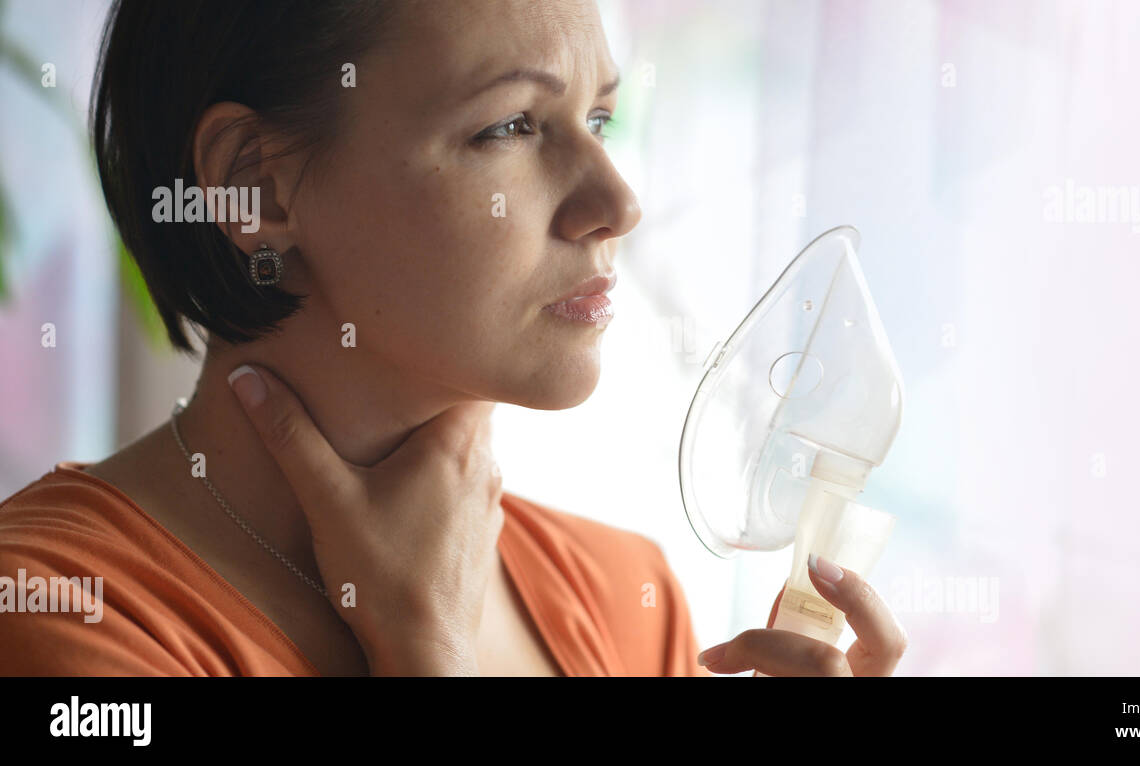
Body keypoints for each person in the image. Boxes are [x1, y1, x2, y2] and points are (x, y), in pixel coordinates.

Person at [0, 0, 906, 677]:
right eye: (509, 126)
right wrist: (426, 653)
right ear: (256, 189)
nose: (617, 203)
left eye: (597, 119)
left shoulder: (629, 597)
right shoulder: (62, 614)